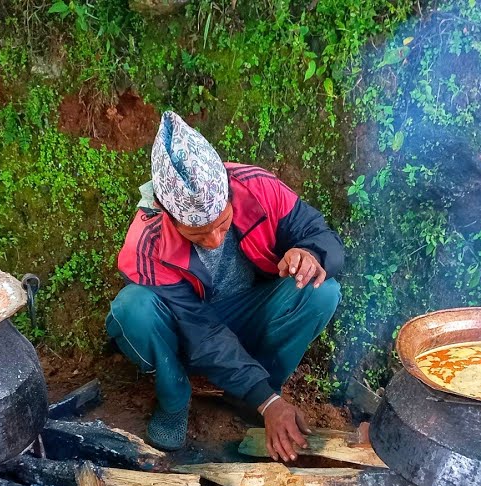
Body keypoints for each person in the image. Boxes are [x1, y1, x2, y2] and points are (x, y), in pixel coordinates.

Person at [108, 111, 344, 457]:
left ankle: (255, 389)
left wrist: (310, 253)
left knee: (320, 291)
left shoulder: (256, 187)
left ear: (230, 194)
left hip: (249, 310)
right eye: (198, 234)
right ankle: (175, 399)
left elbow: (320, 233)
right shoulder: (147, 242)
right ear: (166, 214)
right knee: (134, 308)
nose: (215, 240)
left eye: (223, 224)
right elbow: (201, 333)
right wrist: (269, 403)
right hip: (185, 330)